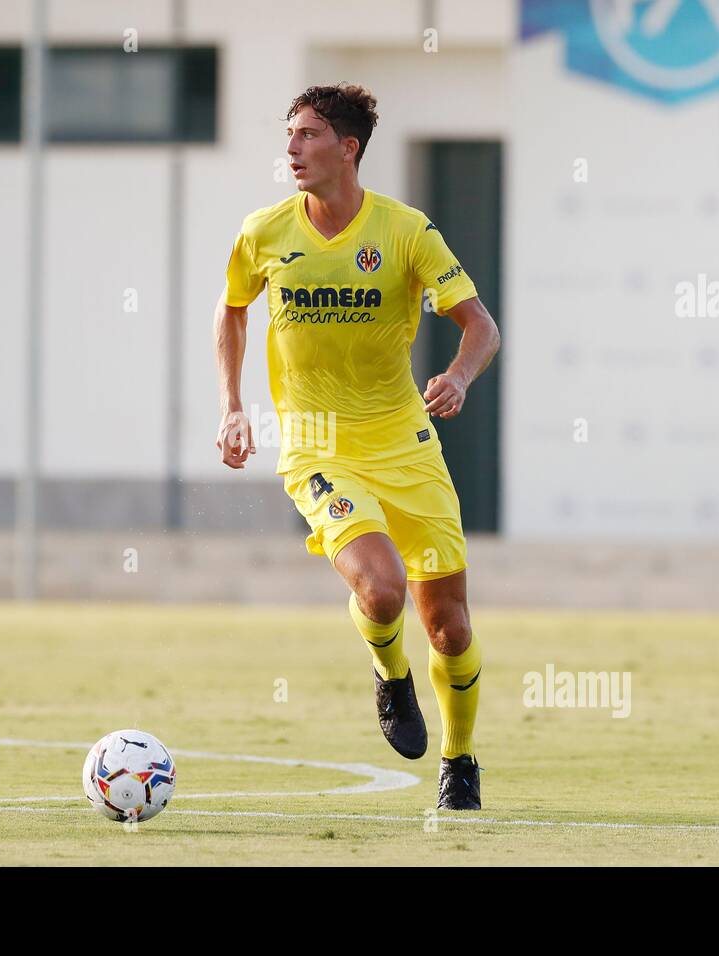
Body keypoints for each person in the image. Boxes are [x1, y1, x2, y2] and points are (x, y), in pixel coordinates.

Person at [213, 84, 500, 809]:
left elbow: (481, 327)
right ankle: (391, 675)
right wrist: (232, 407)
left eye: (307, 135)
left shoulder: (405, 232)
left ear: (348, 148)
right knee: (380, 587)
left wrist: (460, 376)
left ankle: (460, 760)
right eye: (289, 135)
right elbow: (233, 310)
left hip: (404, 443)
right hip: (314, 444)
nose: (291, 148)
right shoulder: (264, 232)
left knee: (453, 624)